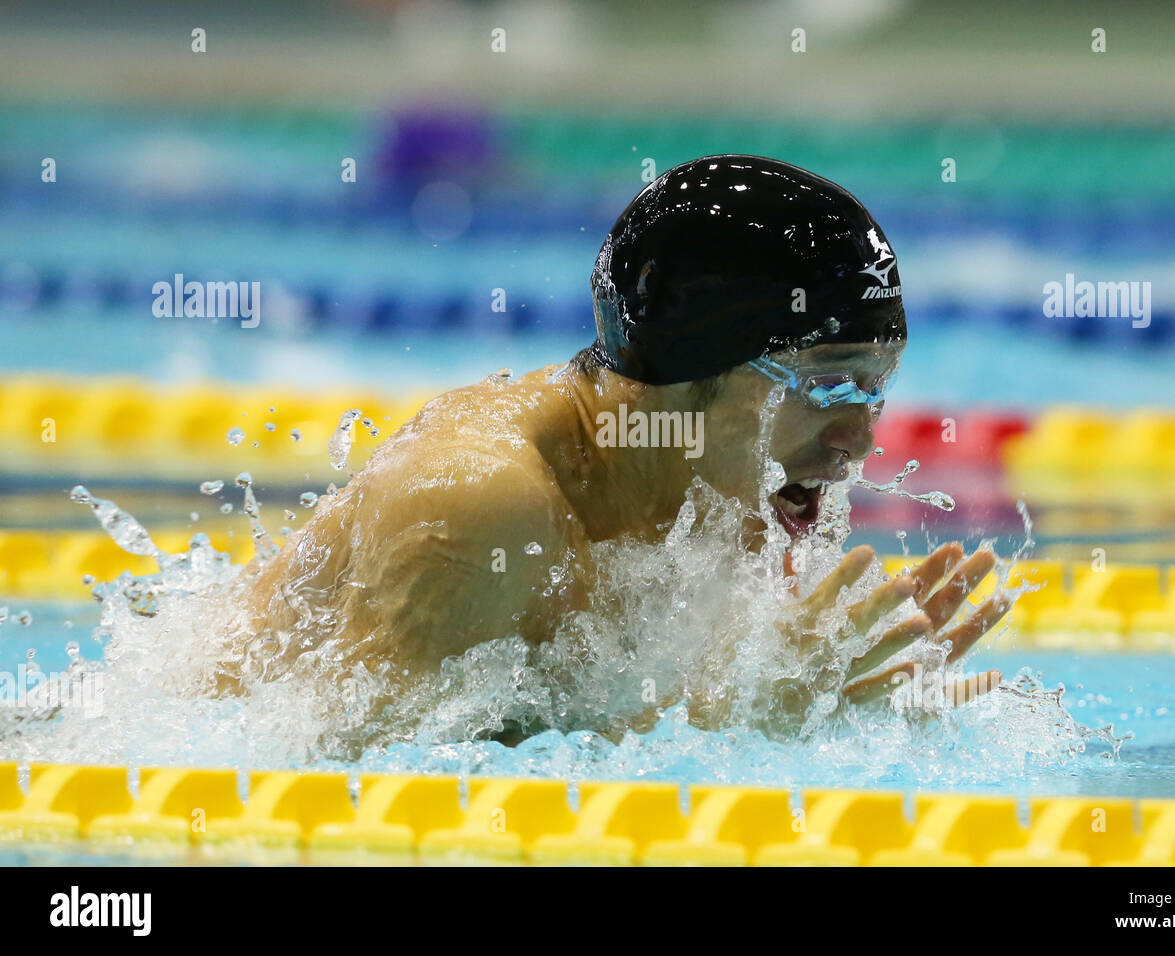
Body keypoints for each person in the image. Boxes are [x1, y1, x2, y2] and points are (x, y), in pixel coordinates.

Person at [224, 154, 1009, 725]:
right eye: (831, 383)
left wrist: (826, 712)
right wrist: (731, 721)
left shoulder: (713, 495)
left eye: (878, 385)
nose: (858, 439)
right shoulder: (480, 507)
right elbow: (364, 796)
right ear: (685, 369)